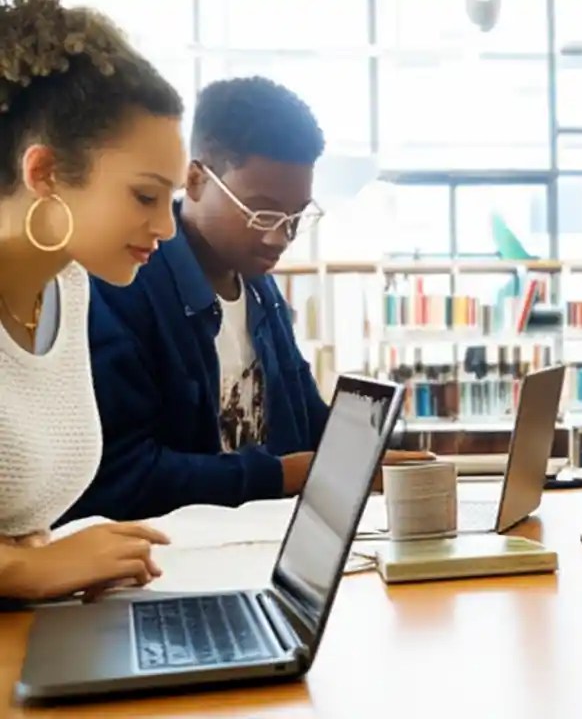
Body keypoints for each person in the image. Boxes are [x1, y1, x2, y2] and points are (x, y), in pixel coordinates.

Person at [60, 77, 424, 524]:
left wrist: (373, 458)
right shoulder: (124, 286)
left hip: (270, 546)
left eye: (295, 216)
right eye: (262, 212)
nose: (280, 236)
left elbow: (306, 419)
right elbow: (122, 475)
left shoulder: (259, 288)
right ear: (194, 180)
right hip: (173, 558)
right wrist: (281, 476)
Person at [0, 0, 187, 600]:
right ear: (45, 172)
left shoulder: (67, 287)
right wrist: (24, 569)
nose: (167, 227)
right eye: (144, 196)